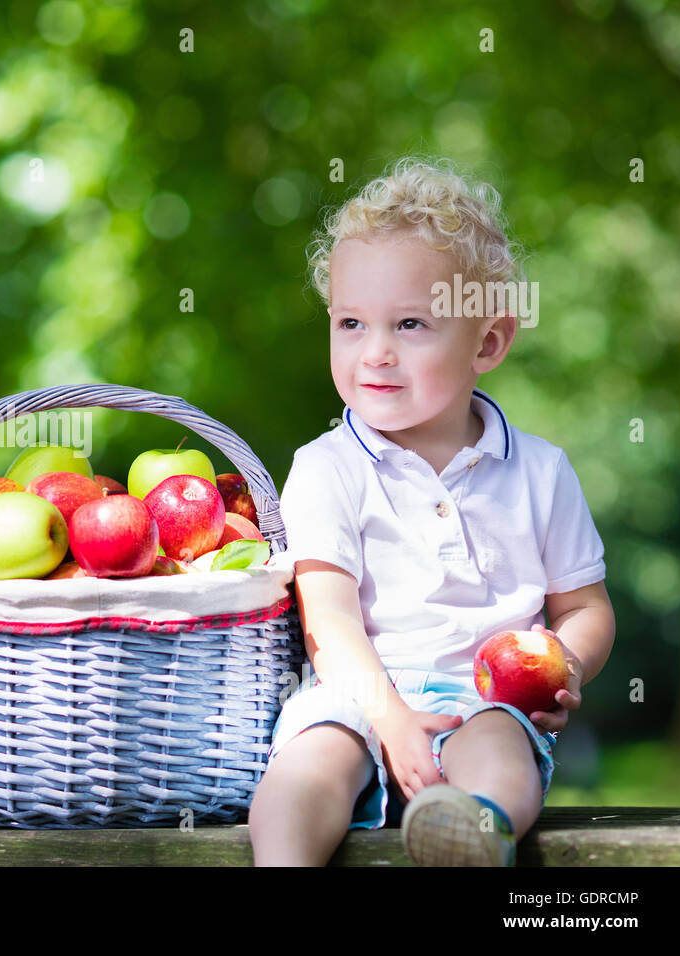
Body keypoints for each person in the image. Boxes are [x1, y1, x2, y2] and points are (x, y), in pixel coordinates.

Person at [248, 158, 616, 866]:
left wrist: (565, 662)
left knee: (502, 752)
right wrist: (388, 718)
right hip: (358, 689)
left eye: (410, 324)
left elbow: (585, 605)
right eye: (351, 323)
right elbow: (329, 620)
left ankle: (468, 831)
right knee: (308, 766)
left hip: (485, 696)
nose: (374, 353)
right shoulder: (326, 467)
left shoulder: (540, 472)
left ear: (488, 342)